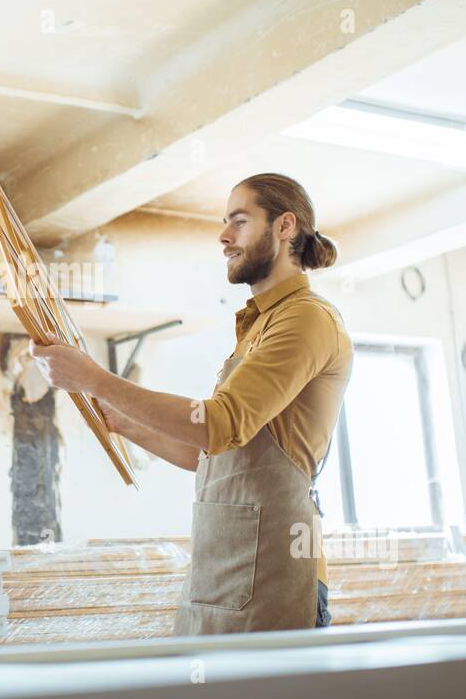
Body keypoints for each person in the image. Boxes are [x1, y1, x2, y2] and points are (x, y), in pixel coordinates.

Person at [30, 173, 352, 633]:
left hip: (276, 577)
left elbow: (218, 424)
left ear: (285, 227)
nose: (223, 237)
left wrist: (97, 379)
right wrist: (123, 423)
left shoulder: (306, 320)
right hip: (223, 579)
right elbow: (213, 454)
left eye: (239, 222)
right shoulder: (260, 325)